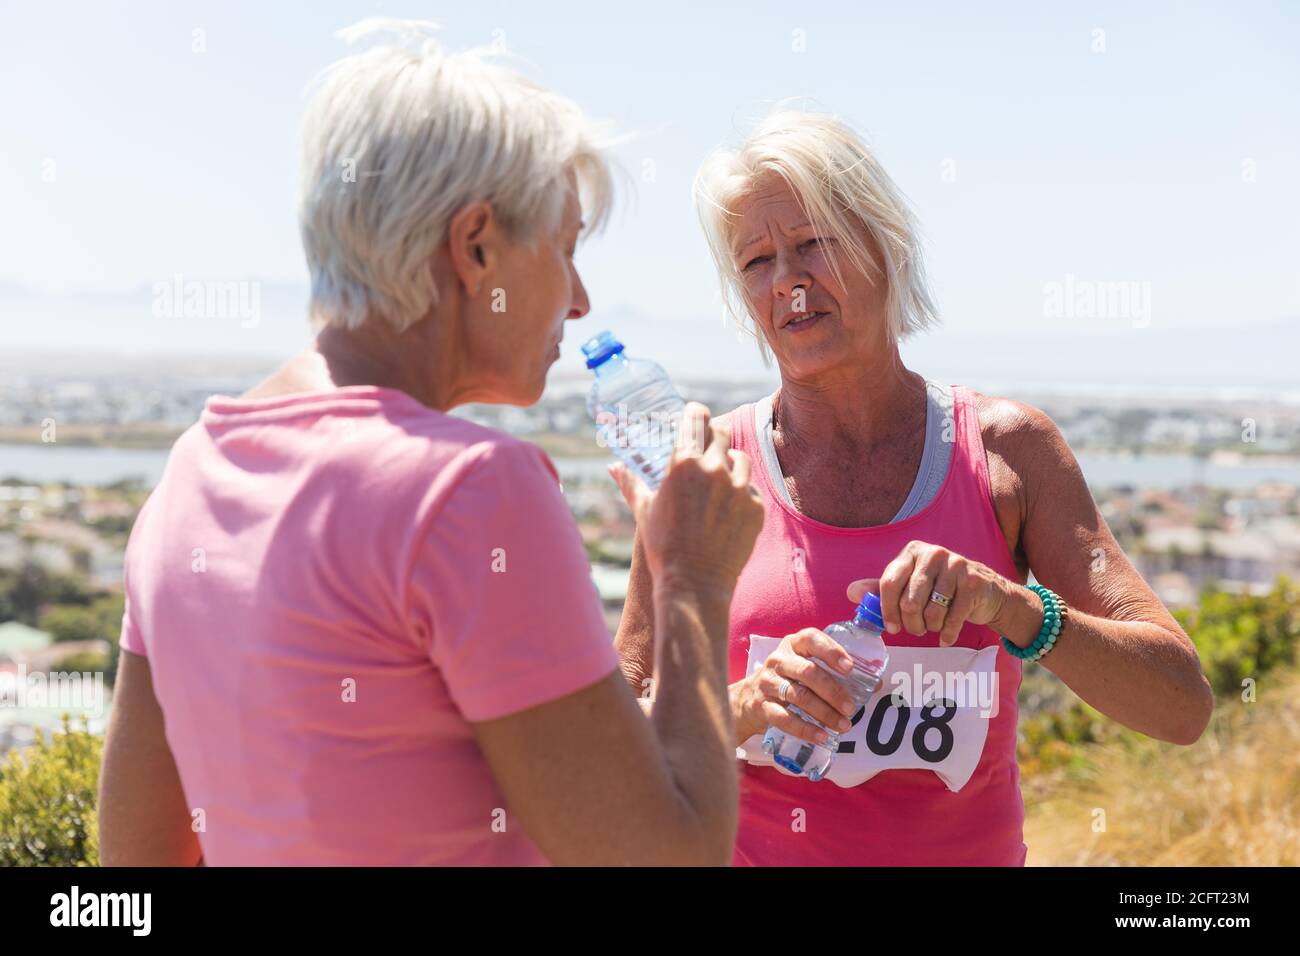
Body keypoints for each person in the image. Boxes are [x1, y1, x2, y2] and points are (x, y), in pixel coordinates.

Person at [97, 21, 763, 867]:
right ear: (476, 246)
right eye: (565, 248)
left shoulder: (190, 478)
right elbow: (664, 857)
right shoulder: (472, 490)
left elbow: (136, 859)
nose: (582, 299)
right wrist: (694, 578)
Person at [615, 110, 1214, 866]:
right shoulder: (706, 469)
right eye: (756, 262)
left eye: (812, 243)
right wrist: (740, 708)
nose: (789, 281)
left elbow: (1181, 704)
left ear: (884, 246)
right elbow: (612, 746)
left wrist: (1014, 609)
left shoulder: (1007, 451)